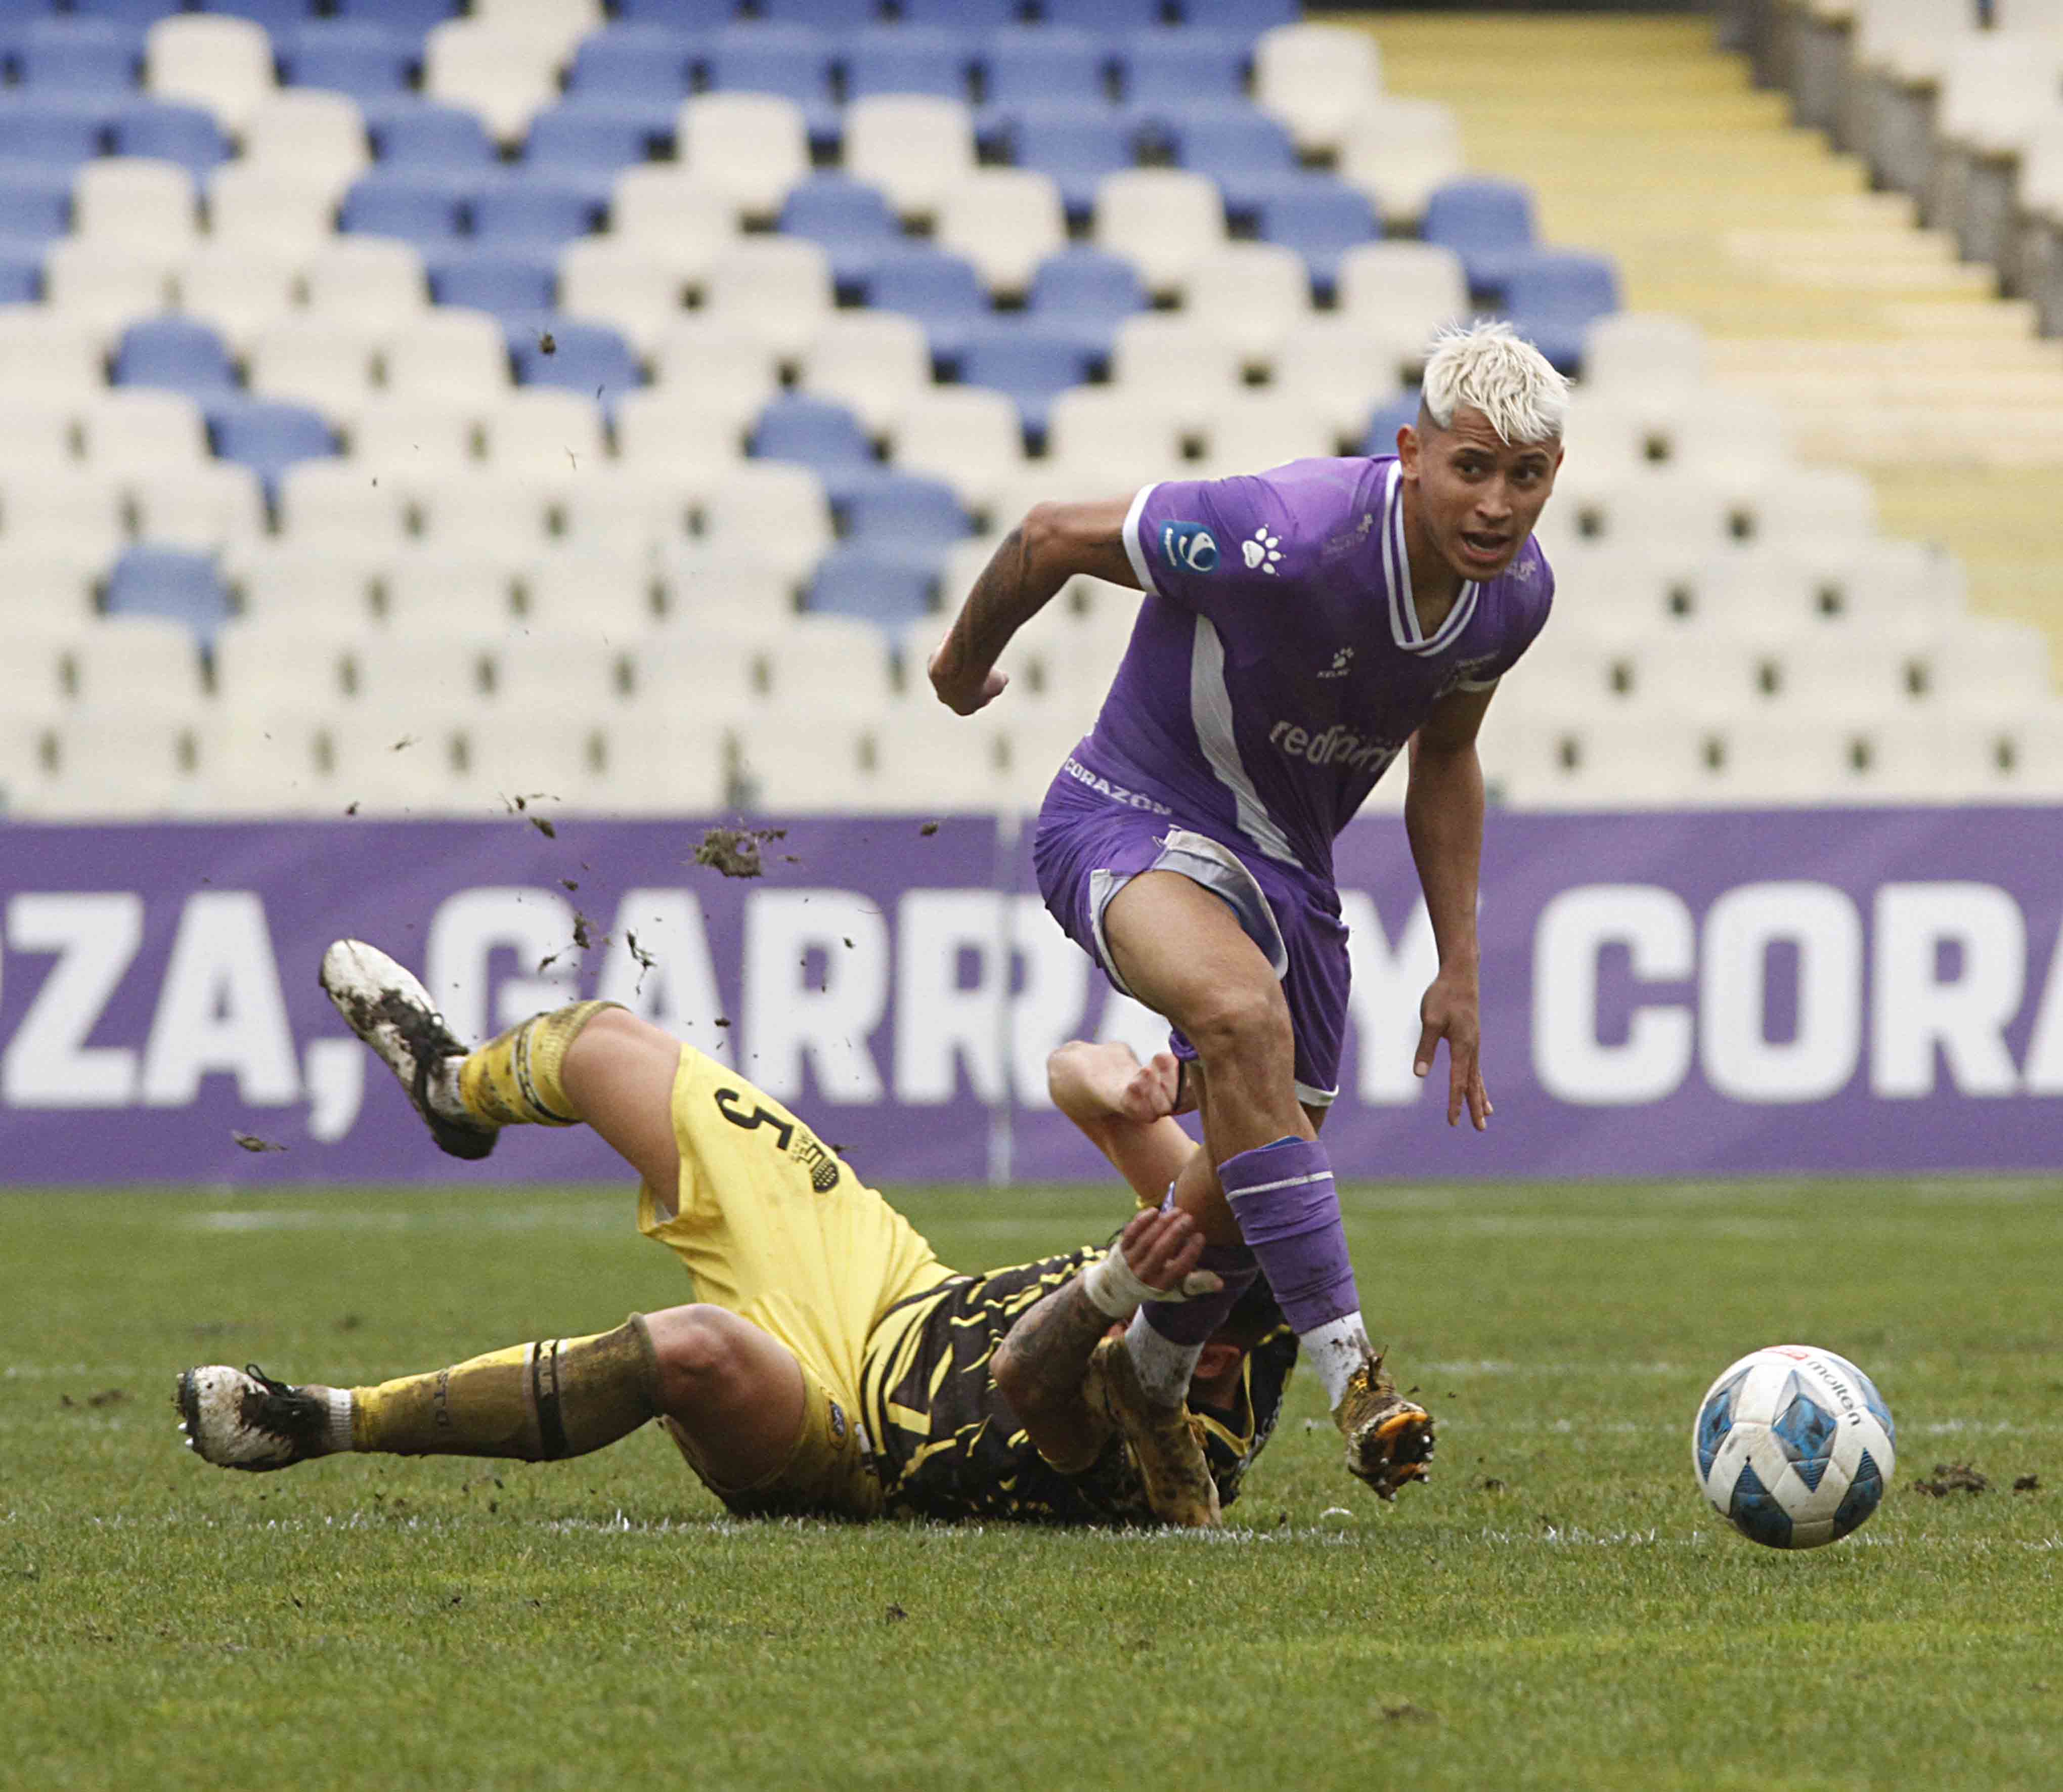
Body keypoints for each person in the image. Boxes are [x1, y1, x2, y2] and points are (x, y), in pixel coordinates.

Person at [927, 320, 1567, 1524]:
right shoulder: (1287, 532)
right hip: (1127, 814)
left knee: (1260, 1144)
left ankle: (1141, 1366)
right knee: (1237, 1018)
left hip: (1291, 877)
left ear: (1554, 479)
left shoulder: (1510, 603)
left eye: (1523, 476)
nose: (1495, 503)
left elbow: (1450, 755)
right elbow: (1050, 534)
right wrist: (963, 668)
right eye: (1470, 468)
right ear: (1412, 453)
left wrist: (1459, 962)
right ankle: (1357, 1381)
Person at [173, 941, 1296, 1529]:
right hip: (890, 1285)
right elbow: (1076, 1080)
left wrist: (1108, 1287)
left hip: (862, 1443)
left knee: (693, 1348)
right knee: (606, 1045)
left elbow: (1033, 1383)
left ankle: (322, 1422)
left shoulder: (1181, 1459)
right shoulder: (1239, 1250)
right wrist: (1120, 1078)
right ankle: (453, 1086)